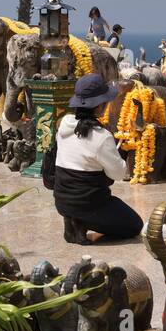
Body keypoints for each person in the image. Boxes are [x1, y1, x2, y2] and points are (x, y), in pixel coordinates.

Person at [51, 74, 142, 245]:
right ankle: (82, 222)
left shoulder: (64, 124)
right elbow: (119, 173)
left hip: (62, 202)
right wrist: (120, 149)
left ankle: (73, 220)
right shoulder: (101, 136)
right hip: (89, 205)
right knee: (134, 225)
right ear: (100, 107)